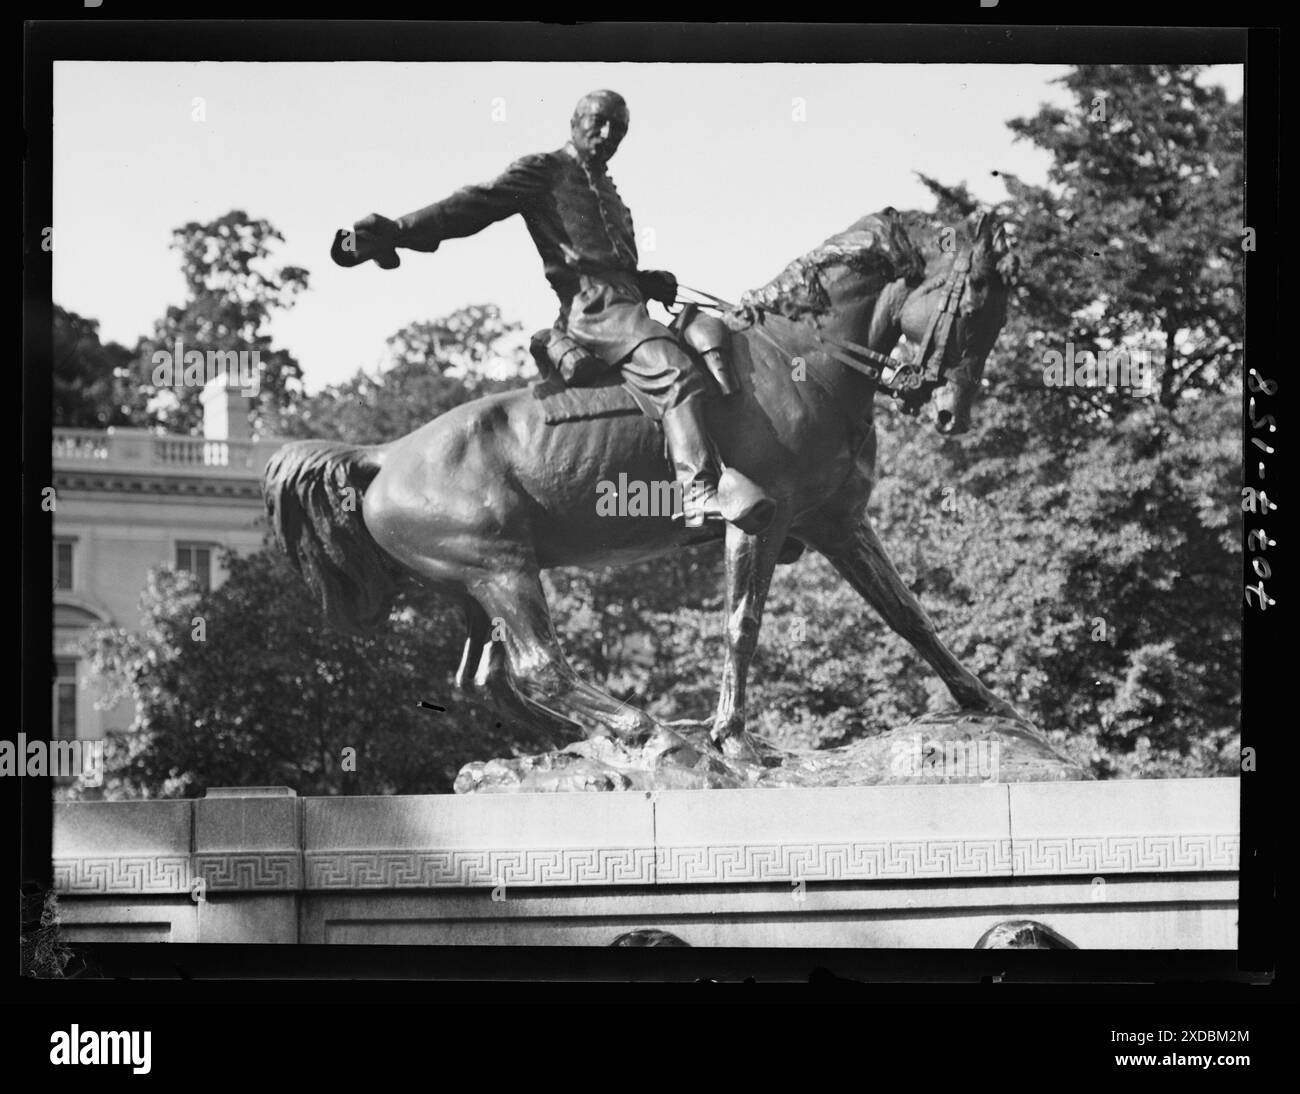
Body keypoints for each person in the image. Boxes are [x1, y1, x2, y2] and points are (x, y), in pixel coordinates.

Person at [332, 89, 762, 529]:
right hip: (595, 313)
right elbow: (473, 205)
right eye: (598, 121)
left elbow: (610, 263)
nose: (607, 133)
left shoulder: (610, 193)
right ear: (575, 122)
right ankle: (697, 494)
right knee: (675, 371)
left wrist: (645, 281)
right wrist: (399, 231)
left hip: (627, 308)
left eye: (618, 128)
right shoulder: (546, 171)